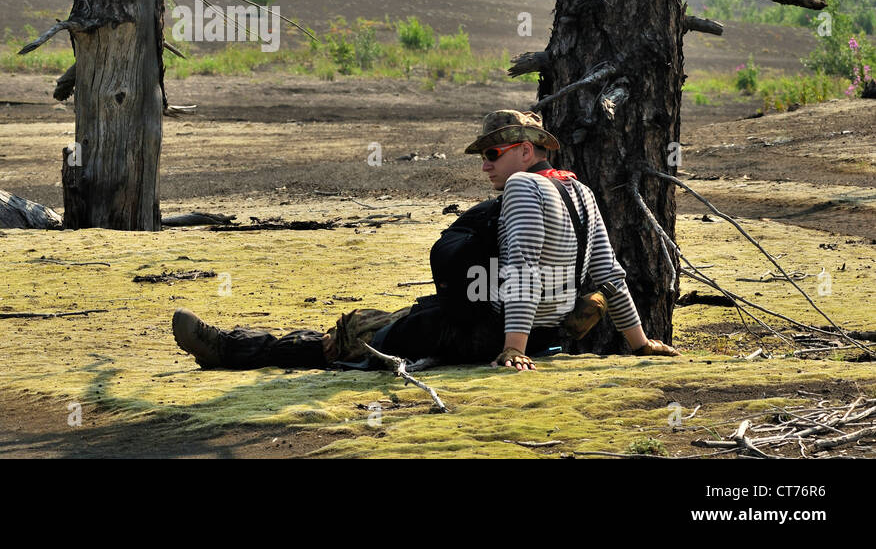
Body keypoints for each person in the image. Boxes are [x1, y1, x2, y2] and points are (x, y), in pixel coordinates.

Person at [171, 110, 679, 372]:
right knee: (385, 323)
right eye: (481, 155)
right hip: (543, 334)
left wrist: (512, 349)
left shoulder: (525, 187)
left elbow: (523, 270)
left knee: (353, 334)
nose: (485, 165)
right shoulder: (581, 190)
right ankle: (238, 343)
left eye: (493, 153)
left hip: (489, 332)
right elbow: (609, 275)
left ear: (526, 150)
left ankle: (228, 348)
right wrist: (640, 344)